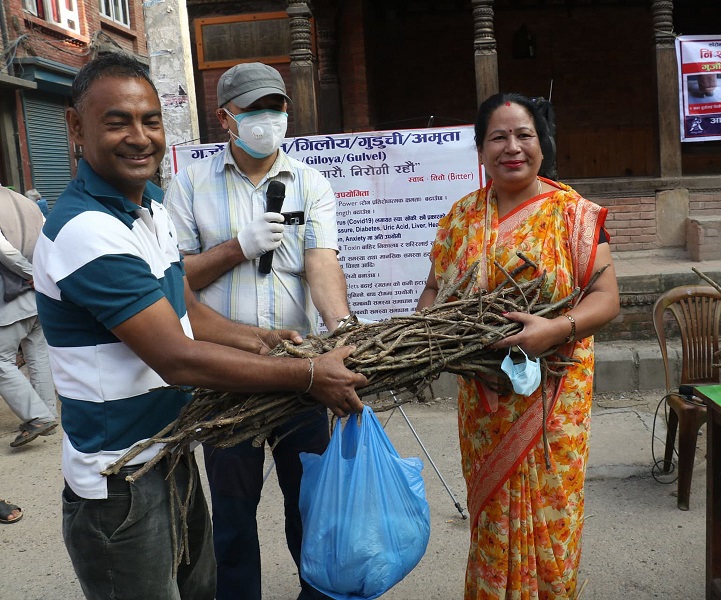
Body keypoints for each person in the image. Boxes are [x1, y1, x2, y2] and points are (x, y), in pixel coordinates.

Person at [32, 52, 366, 600]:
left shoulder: (151, 207)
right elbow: (176, 354)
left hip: (170, 447)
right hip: (121, 470)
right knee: (231, 522)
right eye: (117, 122)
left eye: (150, 121)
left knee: (302, 513)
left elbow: (184, 306)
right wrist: (307, 374)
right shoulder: (88, 230)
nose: (139, 137)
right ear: (76, 127)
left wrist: (265, 340)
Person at [416, 92, 620, 598]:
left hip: (553, 403)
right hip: (485, 404)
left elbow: (606, 298)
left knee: (551, 519)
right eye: (498, 137)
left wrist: (556, 329)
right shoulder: (462, 217)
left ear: (541, 144)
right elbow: (435, 289)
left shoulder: (573, 213)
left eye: (524, 135)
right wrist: (429, 335)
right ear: (481, 149)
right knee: (491, 522)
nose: (512, 147)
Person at [164, 62, 352, 600]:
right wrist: (237, 248)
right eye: (253, 110)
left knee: (311, 508)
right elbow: (173, 279)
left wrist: (342, 327)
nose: (267, 119)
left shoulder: (310, 183)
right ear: (225, 118)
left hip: (301, 371)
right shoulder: (190, 184)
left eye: (275, 107)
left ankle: (318, 593)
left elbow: (321, 263)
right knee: (232, 516)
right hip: (225, 375)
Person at [0, 186, 58, 447]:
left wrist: (30, 273)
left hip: (11, 297)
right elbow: (48, 239)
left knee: (1, 361)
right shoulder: (27, 202)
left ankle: (37, 416)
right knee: (38, 354)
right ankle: (47, 413)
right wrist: (41, 274)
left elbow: (5, 251)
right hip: (37, 297)